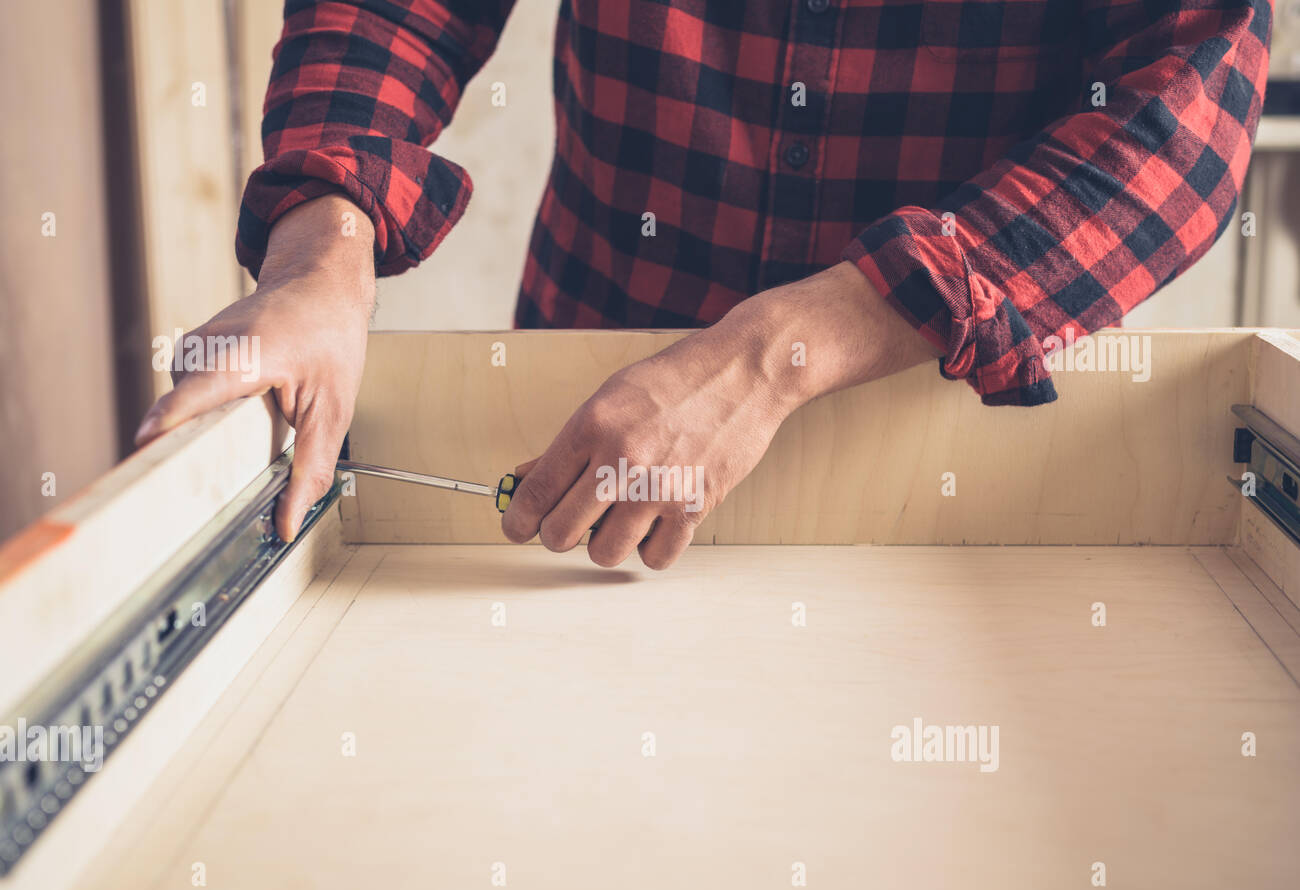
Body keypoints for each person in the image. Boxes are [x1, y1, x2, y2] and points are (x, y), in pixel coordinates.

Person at [134, 0, 1271, 569]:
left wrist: (780, 350)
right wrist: (321, 248)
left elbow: (1188, 111)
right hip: (591, 400)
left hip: (937, 457)